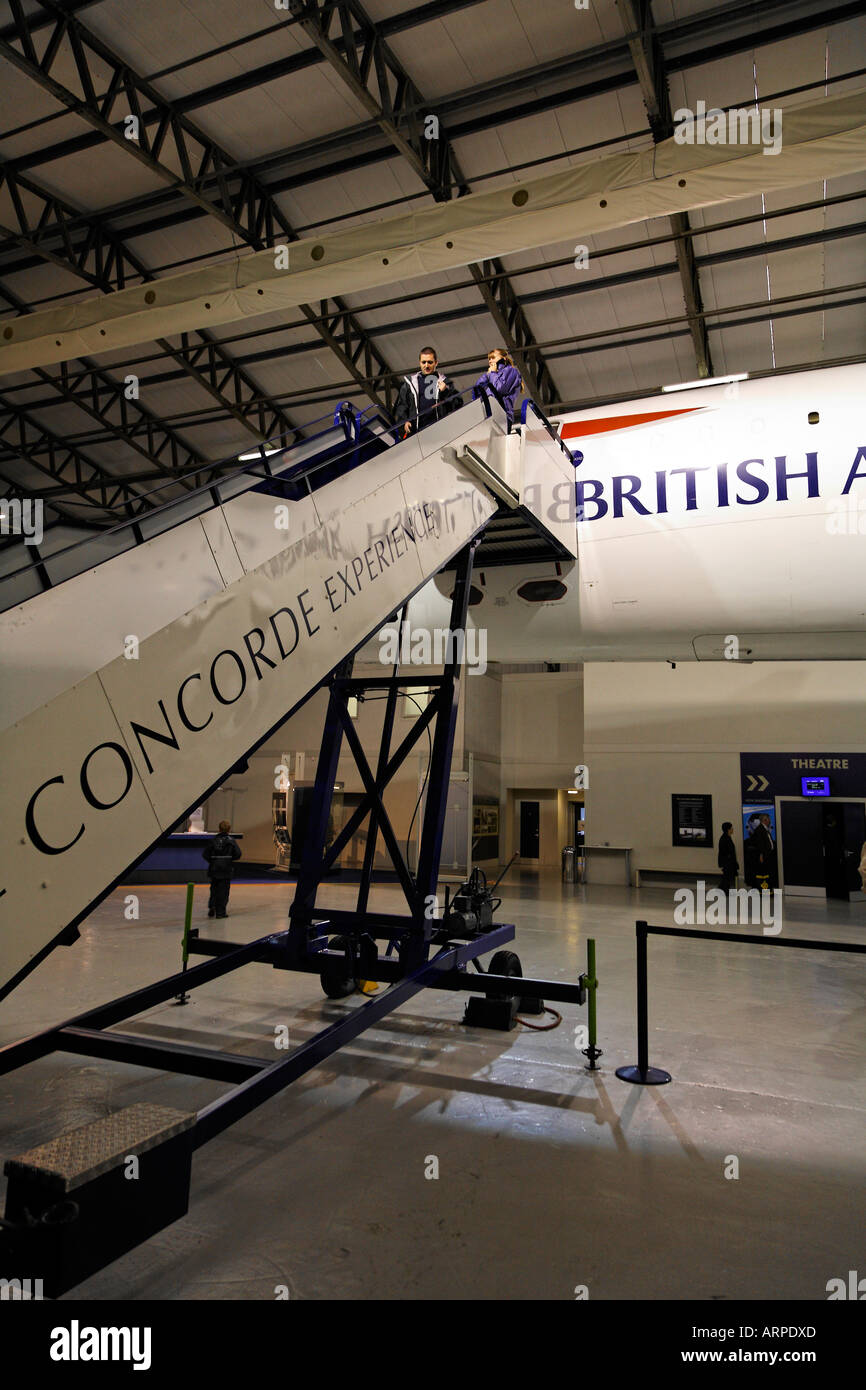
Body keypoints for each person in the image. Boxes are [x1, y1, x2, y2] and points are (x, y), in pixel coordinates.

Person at [394, 345, 460, 438]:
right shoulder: (409, 384)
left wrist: (445, 391)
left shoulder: (445, 382)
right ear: (419, 363)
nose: (426, 365)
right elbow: (401, 406)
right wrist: (404, 421)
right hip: (416, 434)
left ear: (436, 363)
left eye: (430, 362)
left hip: (439, 433)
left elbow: (458, 404)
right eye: (423, 362)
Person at [473, 348, 524, 429]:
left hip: (503, 415)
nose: (490, 361)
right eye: (489, 359)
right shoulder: (491, 375)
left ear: (504, 358)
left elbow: (500, 388)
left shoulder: (512, 371)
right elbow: (476, 392)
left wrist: (492, 373)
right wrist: (487, 375)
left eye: (493, 357)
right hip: (487, 413)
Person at [203, 820, 242, 918]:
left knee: (214, 889)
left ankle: (212, 906)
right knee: (223, 891)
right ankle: (221, 912)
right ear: (229, 829)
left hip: (214, 869)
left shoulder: (213, 840)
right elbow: (238, 854)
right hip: (225, 870)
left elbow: (205, 854)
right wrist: (229, 860)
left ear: (219, 829)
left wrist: (212, 861)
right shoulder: (231, 841)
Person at [718, 821, 738, 892]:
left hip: (728, 862)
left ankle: (723, 889)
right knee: (726, 876)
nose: (732, 829)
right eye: (731, 828)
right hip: (727, 862)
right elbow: (725, 851)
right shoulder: (725, 838)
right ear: (728, 829)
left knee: (726, 877)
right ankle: (724, 890)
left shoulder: (727, 837)